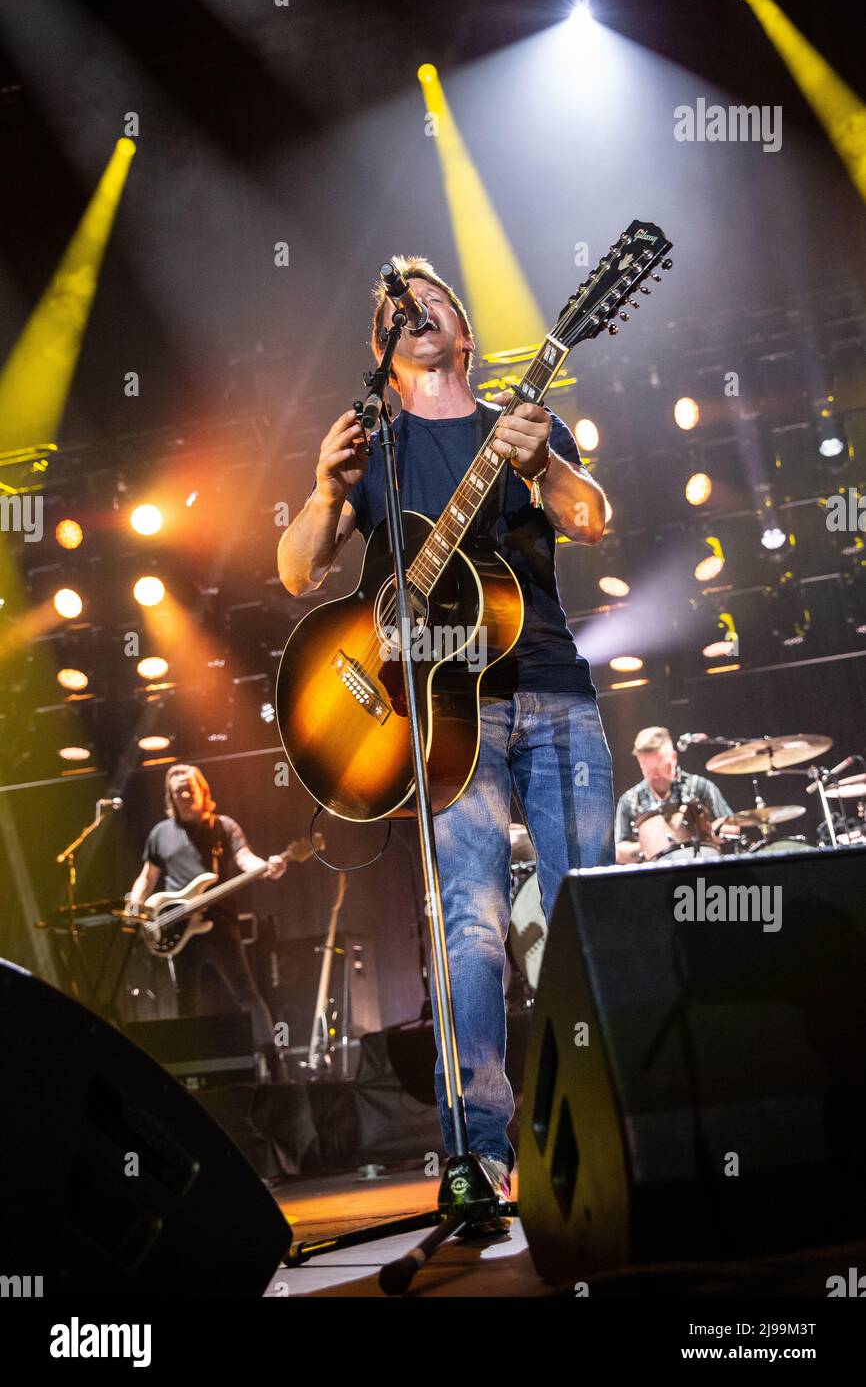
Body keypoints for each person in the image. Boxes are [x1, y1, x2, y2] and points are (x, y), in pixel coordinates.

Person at [277, 255, 614, 1224]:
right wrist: (317, 487)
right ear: (380, 349)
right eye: (396, 305)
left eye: (432, 299)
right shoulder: (373, 452)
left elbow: (592, 520)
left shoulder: (516, 425)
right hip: (443, 725)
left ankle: (603, 1115)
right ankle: (476, 1155)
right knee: (468, 933)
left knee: (584, 918)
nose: (415, 307)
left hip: (550, 693)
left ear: (461, 331)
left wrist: (541, 462)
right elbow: (300, 573)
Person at [126, 763, 288, 1079]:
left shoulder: (223, 826)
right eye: (178, 791)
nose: (185, 795)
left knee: (245, 992)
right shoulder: (161, 833)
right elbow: (148, 878)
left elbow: (245, 859)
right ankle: (192, 1072)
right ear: (170, 797)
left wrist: (266, 867)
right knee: (186, 999)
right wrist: (135, 901)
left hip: (220, 923)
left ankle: (273, 1062)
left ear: (203, 790)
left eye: (189, 789)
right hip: (176, 926)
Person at [615, 726, 733, 864]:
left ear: (674, 758)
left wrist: (713, 832)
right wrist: (648, 845)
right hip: (654, 879)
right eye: (646, 768)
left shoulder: (701, 787)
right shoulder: (629, 800)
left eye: (660, 766)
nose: (655, 775)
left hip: (704, 870)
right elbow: (619, 853)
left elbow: (733, 826)